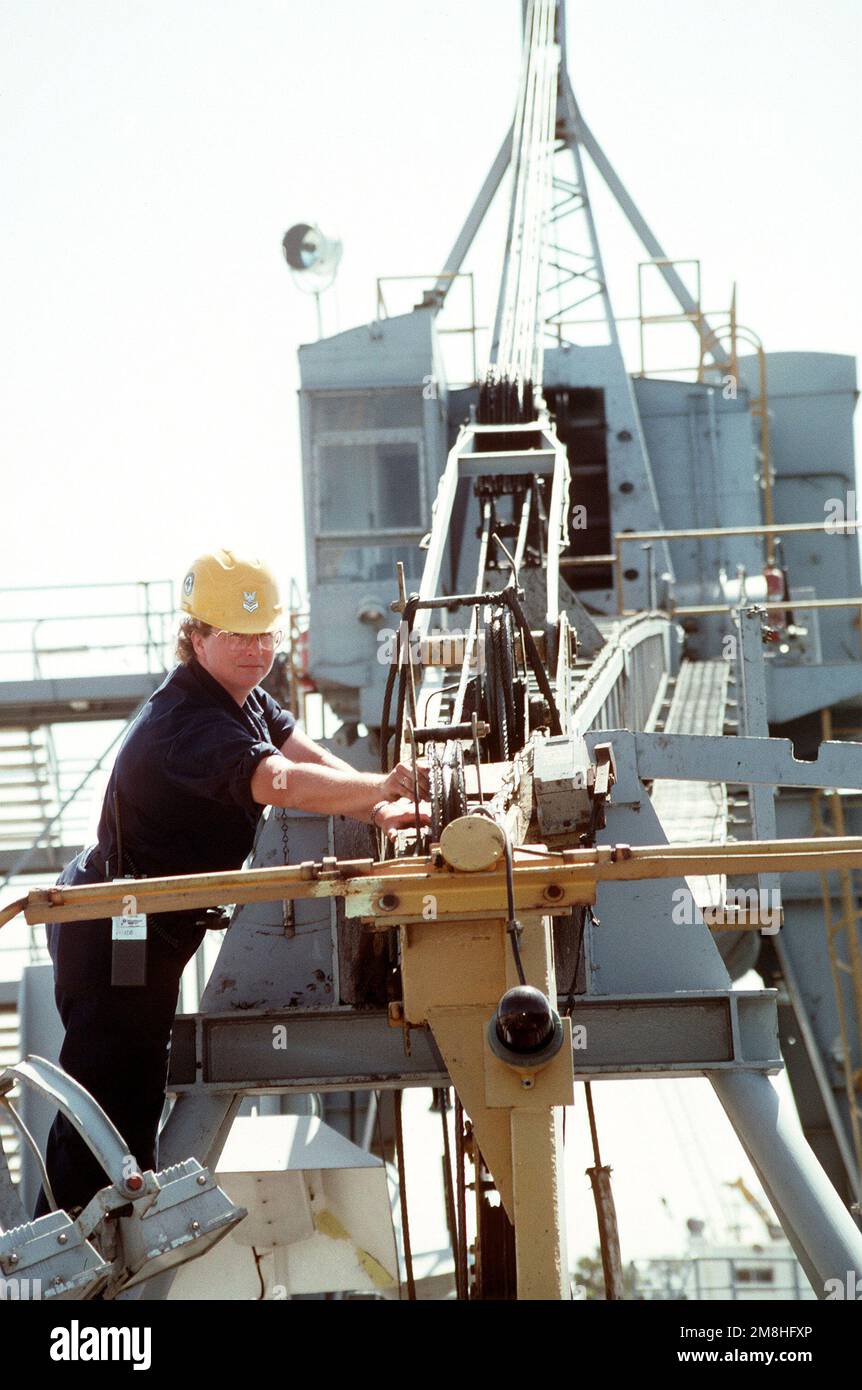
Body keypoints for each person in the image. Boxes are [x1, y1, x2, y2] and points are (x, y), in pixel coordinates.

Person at [33, 549, 427, 1219]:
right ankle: (67, 1251)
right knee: (106, 1108)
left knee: (128, 1103)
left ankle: (100, 1236)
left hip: (146, 928)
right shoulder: (188, 724)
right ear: (195, 637)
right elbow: (278, 780)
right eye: (236, 636)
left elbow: (298, 750)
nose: (255, 650)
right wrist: (379, 786)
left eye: (264, 635)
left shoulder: (238, 698)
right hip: (115, 928)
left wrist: (376, 805)